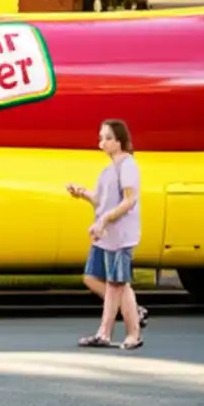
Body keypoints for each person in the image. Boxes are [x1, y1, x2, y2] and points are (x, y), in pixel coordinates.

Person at [69, 119, 144, 350]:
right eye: (101, 137)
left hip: (120, 235)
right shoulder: (107, 170)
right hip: (108, 236)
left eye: (108, 138)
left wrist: (104, 220)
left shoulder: (127, 165)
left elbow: (130, 200)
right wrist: (82, 194)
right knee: (116, 285)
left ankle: (129, 333)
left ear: (120, 141)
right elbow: (101, 201)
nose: (103, 142)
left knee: (117, 285)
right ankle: (109, 333)